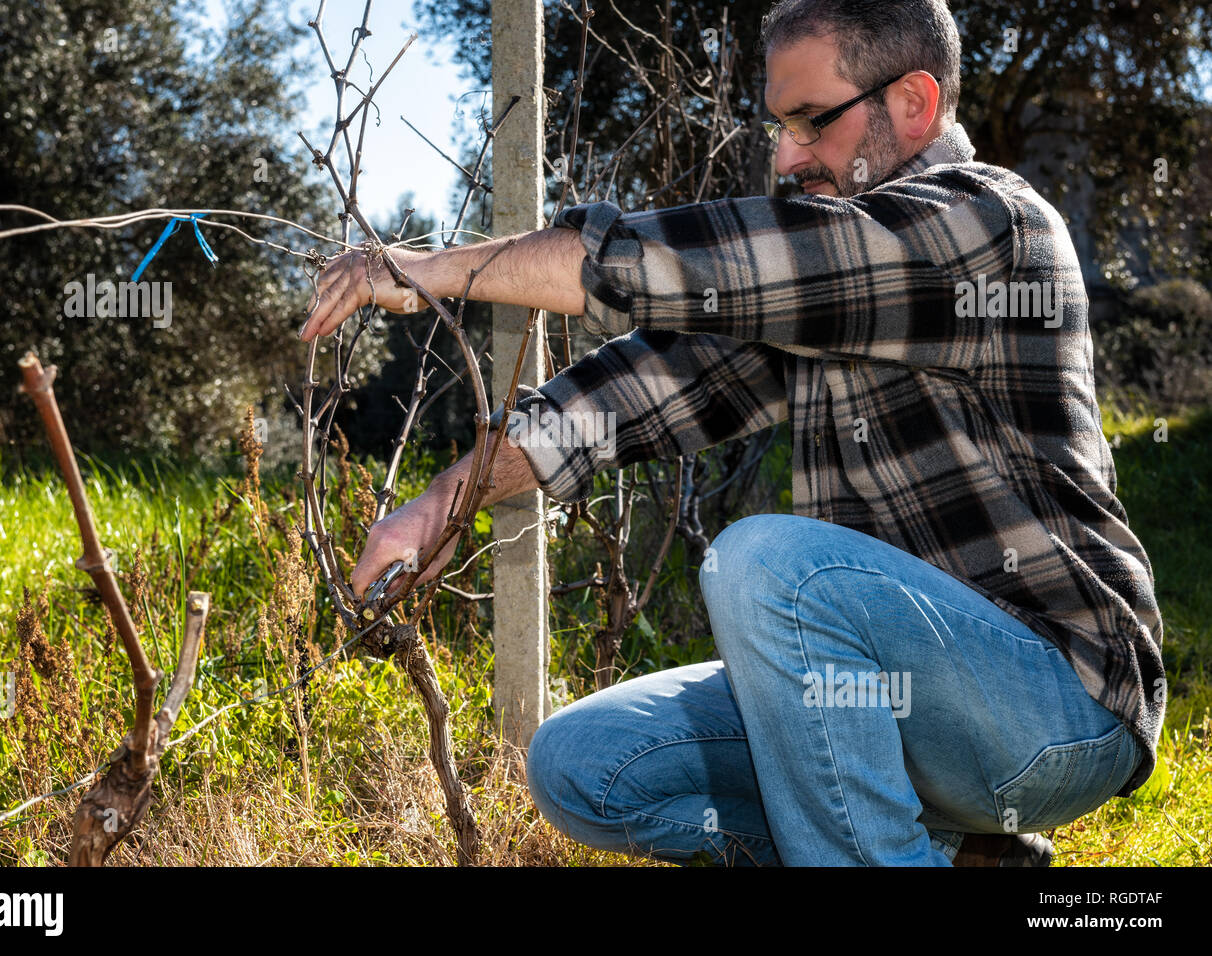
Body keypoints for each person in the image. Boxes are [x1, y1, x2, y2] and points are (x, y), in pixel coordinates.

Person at [298, 0, 1164, 866]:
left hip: (1058, 704)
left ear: (914, 104)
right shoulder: (820, 294)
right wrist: (438, 505)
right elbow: (623, 399)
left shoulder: (986, 229)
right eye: (777, 126)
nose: (786, 156)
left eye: (810, 122)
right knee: (584, 764)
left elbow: (685, 269)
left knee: (770, 566)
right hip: (894, 701)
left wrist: (435, 270)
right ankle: (960, 853)